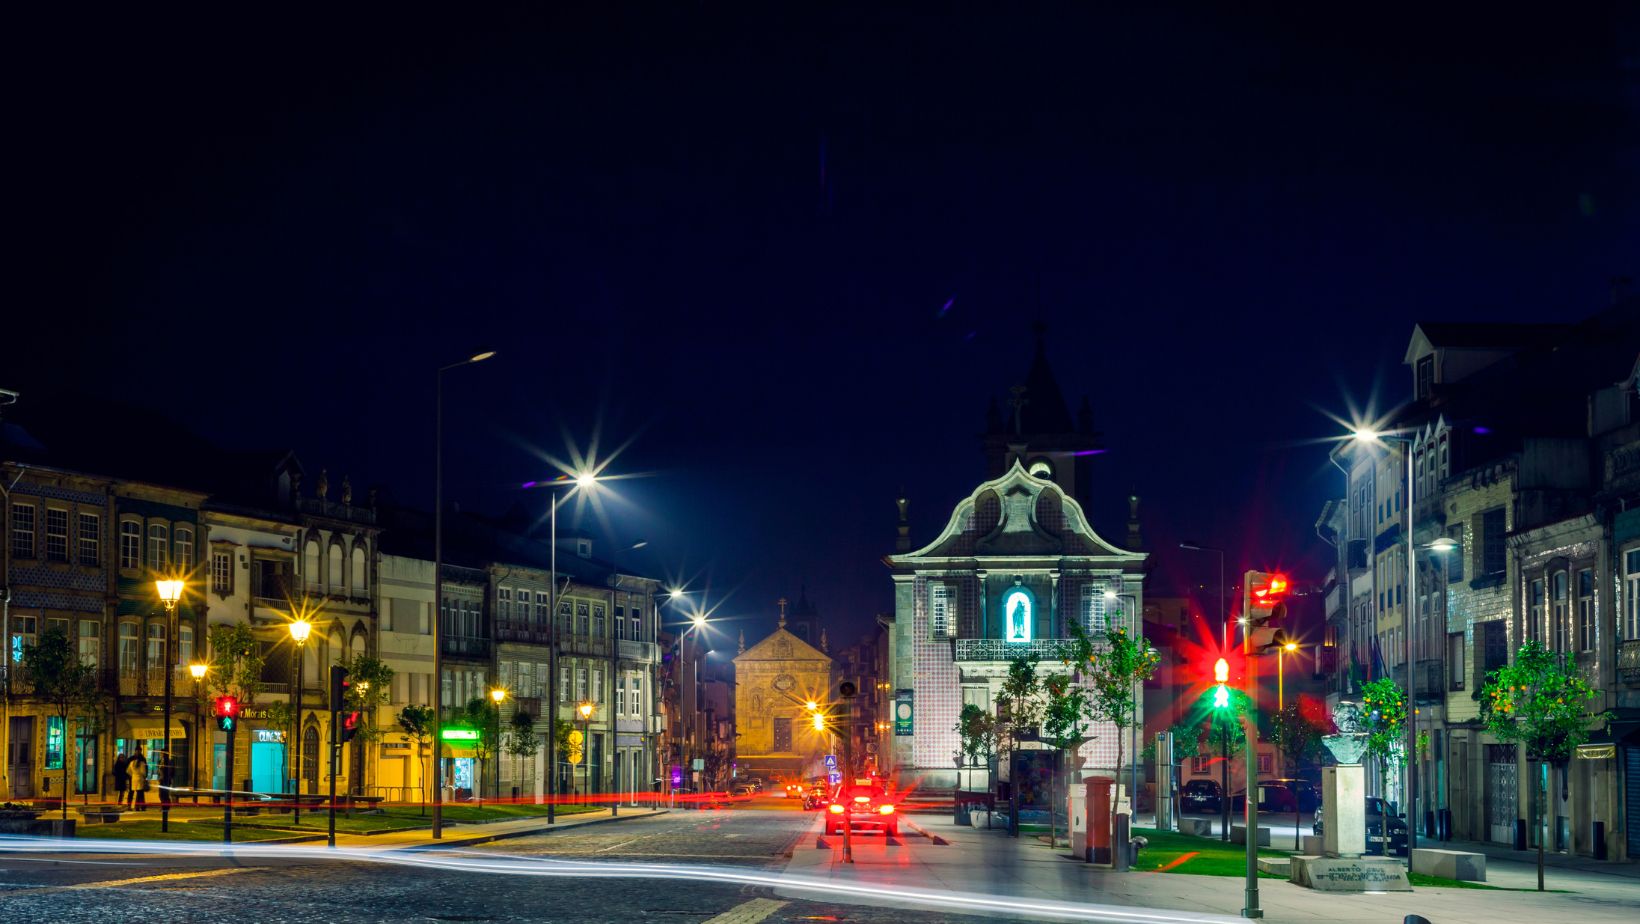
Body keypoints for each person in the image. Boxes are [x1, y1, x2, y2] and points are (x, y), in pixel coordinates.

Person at [128, 745, 150, 811]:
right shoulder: (142, 760)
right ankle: (139, 806)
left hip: (133, 778)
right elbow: (144, 770)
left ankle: (131, 805)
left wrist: (131, 776)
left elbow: (128, 770)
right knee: (140, 793)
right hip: (139, 778)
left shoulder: (131, 760)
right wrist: (145, 776)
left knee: (133, 792)